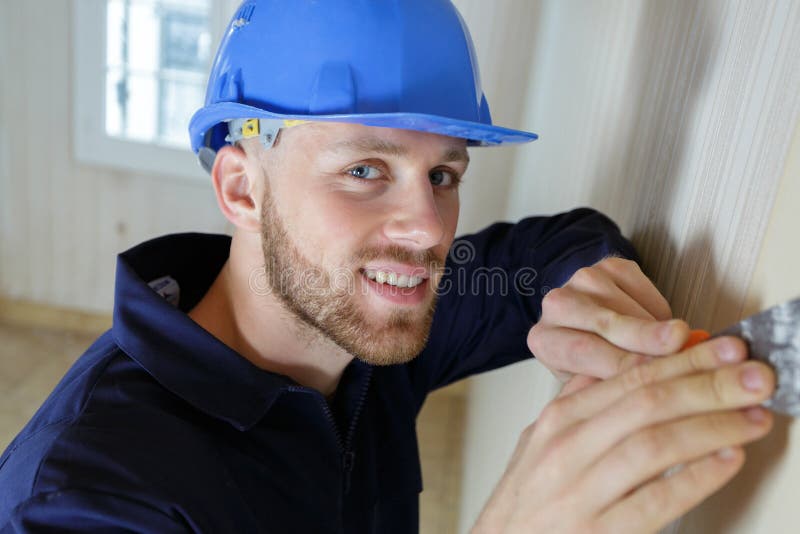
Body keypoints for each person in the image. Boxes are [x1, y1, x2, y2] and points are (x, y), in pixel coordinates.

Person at [0, 1, 775, 532]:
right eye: (365, 170)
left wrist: (586, 290)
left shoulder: (360, 316)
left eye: (444, 174)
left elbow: (550, 249)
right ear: (241, 187)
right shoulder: (91, 492)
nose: (427, 230)